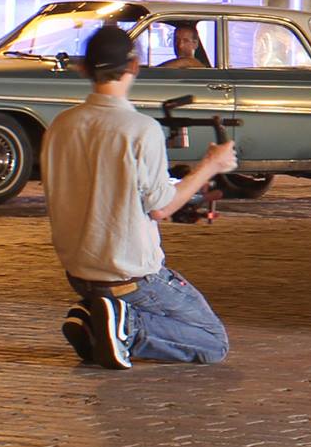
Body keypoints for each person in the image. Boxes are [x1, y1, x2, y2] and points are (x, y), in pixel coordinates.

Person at [41, 25, 237, 369]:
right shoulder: (140, 129)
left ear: (84, 68)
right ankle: (126, 327)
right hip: (129, 275)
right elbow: (162, 207)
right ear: (134, 66)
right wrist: (210, 165)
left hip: (78, 269)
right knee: (212, 340)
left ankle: (95, 320)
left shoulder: (60, 125)